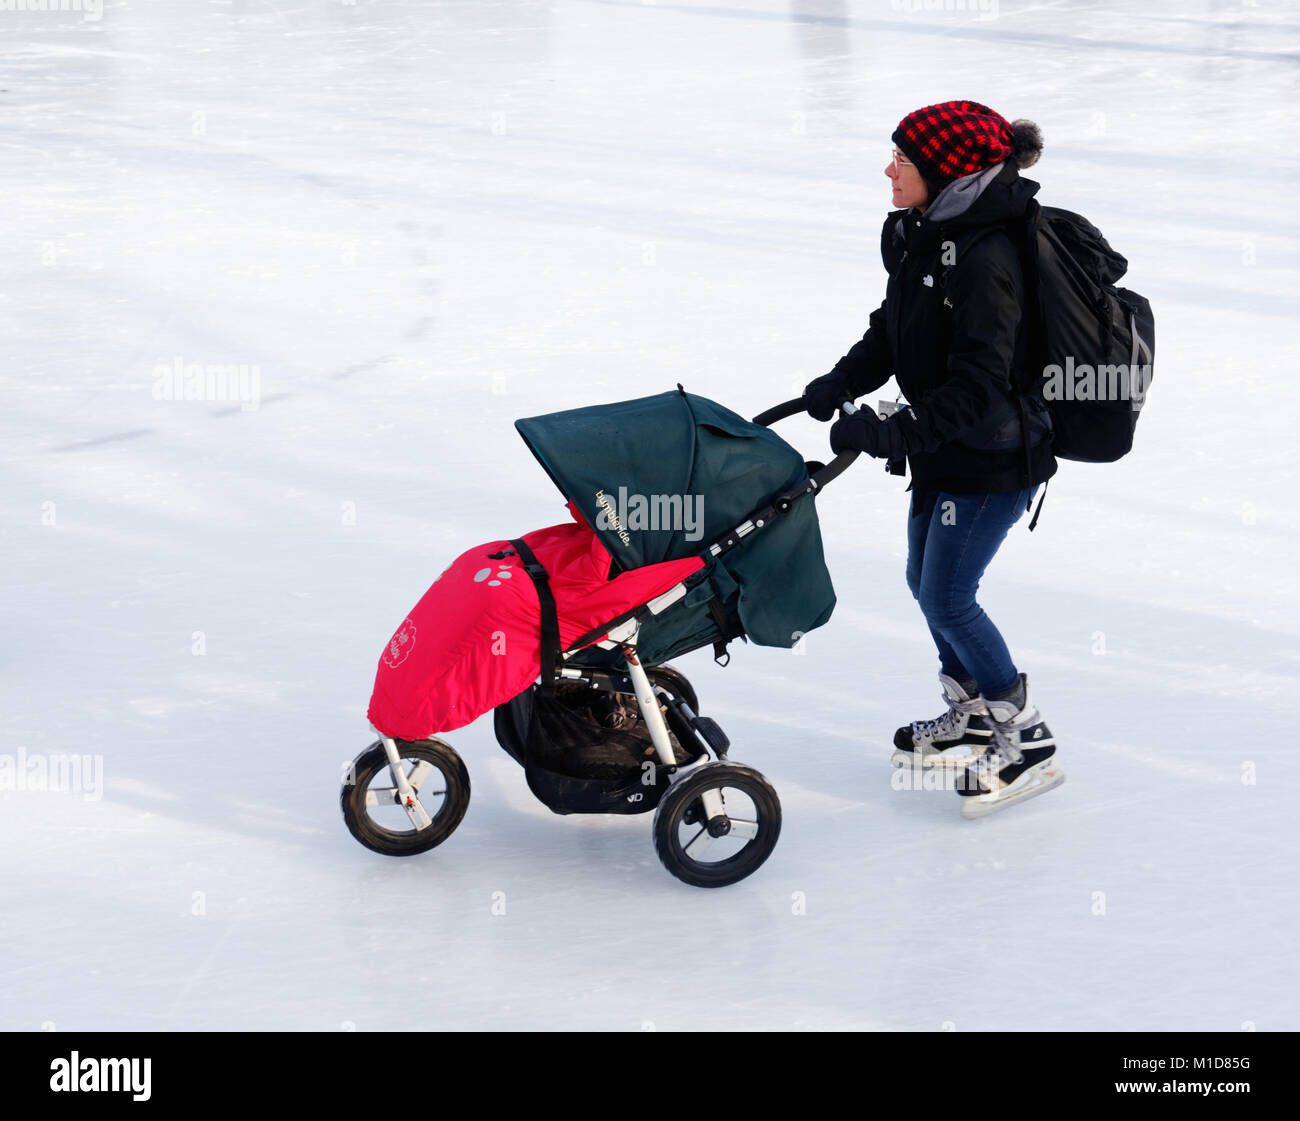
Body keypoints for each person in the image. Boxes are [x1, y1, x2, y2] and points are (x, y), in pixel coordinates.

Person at [805, 100, 1064, 816]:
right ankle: (973, 709)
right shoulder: (925, 231)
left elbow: (983, 381)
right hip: (948, 450)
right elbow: (895, 327)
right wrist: (843, 379)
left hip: (994, 456)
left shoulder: (987, 257)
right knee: (926, 581)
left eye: (903, 160)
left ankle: (1027, 741)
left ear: (944, 171)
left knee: (949, 595)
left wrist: (898, 432)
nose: (889, 168)